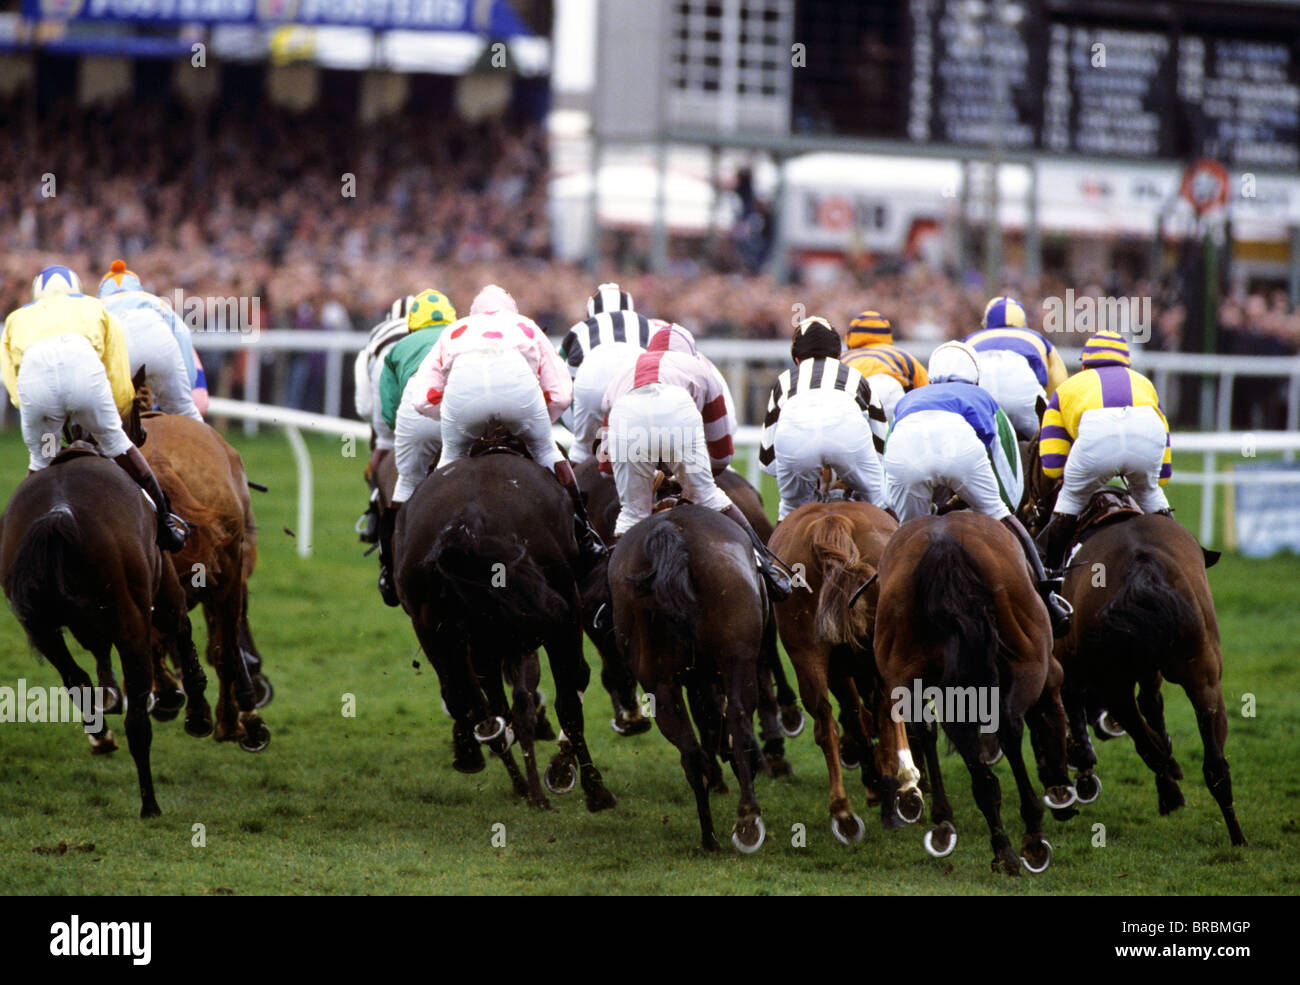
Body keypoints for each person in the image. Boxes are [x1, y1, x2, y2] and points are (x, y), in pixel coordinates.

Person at [403, 285, 605, 593]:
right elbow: (562, 395)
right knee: (550, 454)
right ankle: (585, 535)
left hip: (463, 400)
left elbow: (421, 398)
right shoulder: (527, 326)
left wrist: (455, 421)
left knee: (443, 472)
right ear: (512, 310)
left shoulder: (455, 329)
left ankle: (419, 544)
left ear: (472, 314)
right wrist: (532, 428)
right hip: (519, 396)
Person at [883, 340, 1071, 636]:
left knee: (908, 537)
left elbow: (890, 454)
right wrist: (1004, 508)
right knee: (1001, 514)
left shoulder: (910, 399)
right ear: (974, 375)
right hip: (961, 451)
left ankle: (888, 605)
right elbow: (1006, 466)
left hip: (905, 456)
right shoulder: (982, 396)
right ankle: (1049, 598)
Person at [1, 265, 188, 552]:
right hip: (82, 372)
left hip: (35, 381)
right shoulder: (94, 307)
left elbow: (11, 377)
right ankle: (166, 522)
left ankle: (12, 538)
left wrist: (37, 413)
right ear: (76, 287)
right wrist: (118, 411)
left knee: (41, 460)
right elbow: (116, 370)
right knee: (117, 444)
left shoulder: (16, 318)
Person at [601, 325, 792, 600]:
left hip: (626, 415)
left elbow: (605, 466)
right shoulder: (701, 367)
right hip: (677, 409)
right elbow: (723, 452)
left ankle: (607, 599)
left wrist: (650, 478)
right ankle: (769, 570)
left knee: (631, 513)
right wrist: (688, 481)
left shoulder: (622, 372)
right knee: (711, 497)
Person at [1037, 331, 1173, 572]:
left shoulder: (1068, 387)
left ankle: (1051, 572)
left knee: (1070, 499)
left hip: (1096, 442)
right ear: (1126, 362)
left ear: (1084, 363)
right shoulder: (1144, 383)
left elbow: (1052, 464)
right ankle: (1181, 555)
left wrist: (1068, 478)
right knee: (1151, 495)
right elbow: (1163, 432)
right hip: (1145, 436)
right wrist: (1158, 477)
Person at [759, 316, 891, 520]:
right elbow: (881, 448)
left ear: (796, 360)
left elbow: (767, 463)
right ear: (839, 355)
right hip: (848, 437)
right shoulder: (856, 377)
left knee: (789, 512)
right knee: (880, 503)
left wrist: (806, 485)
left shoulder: (784, 381)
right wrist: (856, 478)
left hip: (795, 441)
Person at [374, 290, 457, 604]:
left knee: (404, 486)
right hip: (462, 414)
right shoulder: (461, 335)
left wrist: (403, 436)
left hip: (417, 414)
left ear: (411, 326)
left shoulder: (399, 347)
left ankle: (390, 568)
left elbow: (389, 407)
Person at [558, 283, 655, 464]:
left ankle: (573, 485)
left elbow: (556, 375)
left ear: (590, 312)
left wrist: (578, 429)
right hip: (634, 381)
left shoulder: (581, 328)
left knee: (582, 453)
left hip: (591, 380)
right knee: (653, 452)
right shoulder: (648, 325)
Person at [97, 260, 203, 421]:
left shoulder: (96, 306)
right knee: (186, 413)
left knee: (102, 423)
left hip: (117, 351)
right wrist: (186, 388)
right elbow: (183, 334)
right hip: (158, 341)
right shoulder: (155, 301)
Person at [963, 295, 1069, 441]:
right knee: (1048, 443)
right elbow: (1060, 385)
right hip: (1023, 402)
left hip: (982, 402)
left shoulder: (970, 340)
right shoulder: (1038, 339)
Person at [353, 295, 415, 542]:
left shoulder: (378, 334)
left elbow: (366, 408)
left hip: (390, 398)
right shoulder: (444, 330)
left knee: (384, 448)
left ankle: (374, 515)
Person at [840, 309, 928, 423]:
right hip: (892, 387)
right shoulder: (900, 354)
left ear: (849, 336)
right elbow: (925, 388)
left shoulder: (843, 357)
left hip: (857, 392)